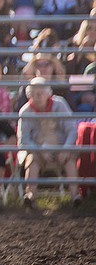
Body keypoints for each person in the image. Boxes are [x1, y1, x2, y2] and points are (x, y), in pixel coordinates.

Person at [17, 78, 81, 207]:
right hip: (37, 148)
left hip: (60, 146)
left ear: (48, 93)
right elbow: (24, 139)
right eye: (34, 93)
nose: (38, 95)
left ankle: (75, 196)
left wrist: (65, 149)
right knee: (31, 161)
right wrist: (39, 150)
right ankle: (31, 195)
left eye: (41, 92)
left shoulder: (60, 104)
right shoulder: (25, 111)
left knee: (70, 160)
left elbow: (72, 130)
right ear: (30, 95)